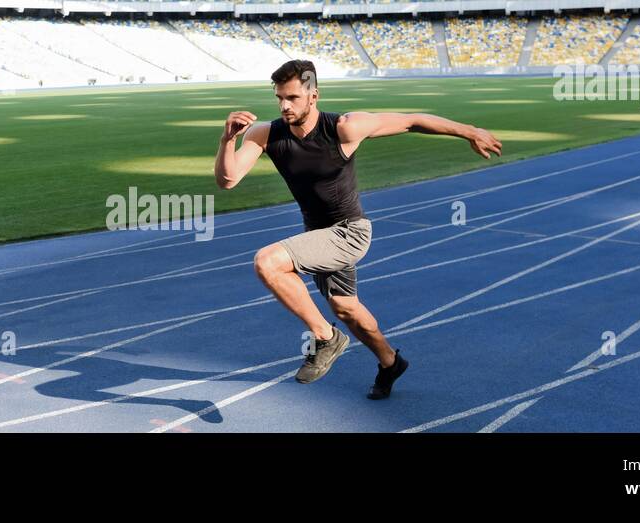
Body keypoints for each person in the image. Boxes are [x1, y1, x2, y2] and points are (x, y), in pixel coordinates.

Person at [213, 60, 503, 399]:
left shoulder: (344, 127)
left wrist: (469, 130)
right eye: (279, 97)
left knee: (268, 261)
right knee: (347, 309)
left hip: (349, 232)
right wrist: (226, 140)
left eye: (292, 97)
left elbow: (411, 121)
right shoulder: (265, 133)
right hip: (317, 235)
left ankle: (325, 337)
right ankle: (390, 362)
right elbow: (228, 180)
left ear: (313, 95)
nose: (284, 105)